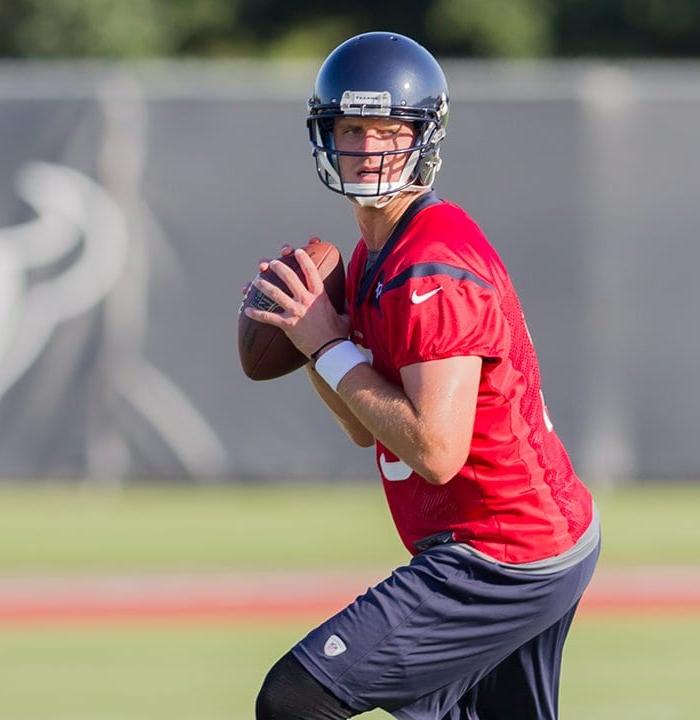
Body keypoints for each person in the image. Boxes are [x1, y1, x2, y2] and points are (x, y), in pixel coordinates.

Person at [242, 32, 600, 719]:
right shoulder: (384, 250)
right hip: (522, 541)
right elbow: (361, 424)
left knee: (294, 700)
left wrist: (327, 344)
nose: (370, 148)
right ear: (326, 135)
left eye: (389, 130)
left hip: (500, 555)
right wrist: (320, 339)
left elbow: (436, 451)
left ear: (423, 138)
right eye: (353, 129)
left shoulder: (430, 264)